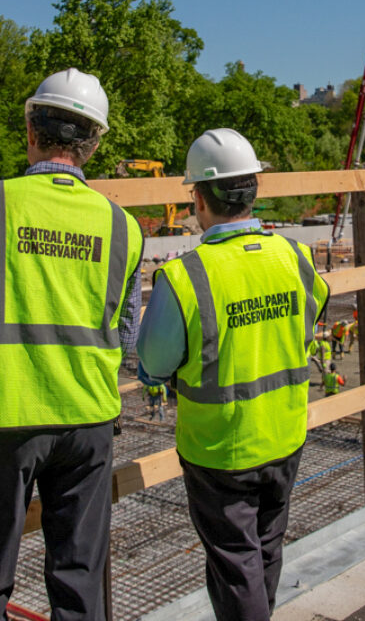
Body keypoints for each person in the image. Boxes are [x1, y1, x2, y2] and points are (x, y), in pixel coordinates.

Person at [0, 68, 144, 621]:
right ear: (94, 144)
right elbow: (128, 333)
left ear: (30, 129)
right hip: (89, 417)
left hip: (3, 414)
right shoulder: (123, 227)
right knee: (79, 582)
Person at [137, 128, 330, 621]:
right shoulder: (295, 258)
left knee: (234, 563)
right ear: (253, 190)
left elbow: (155, 365)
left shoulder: (185, 276)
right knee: (266, 547)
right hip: (284, 433)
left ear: (198, 197)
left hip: (220, 448)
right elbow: (312, 316)